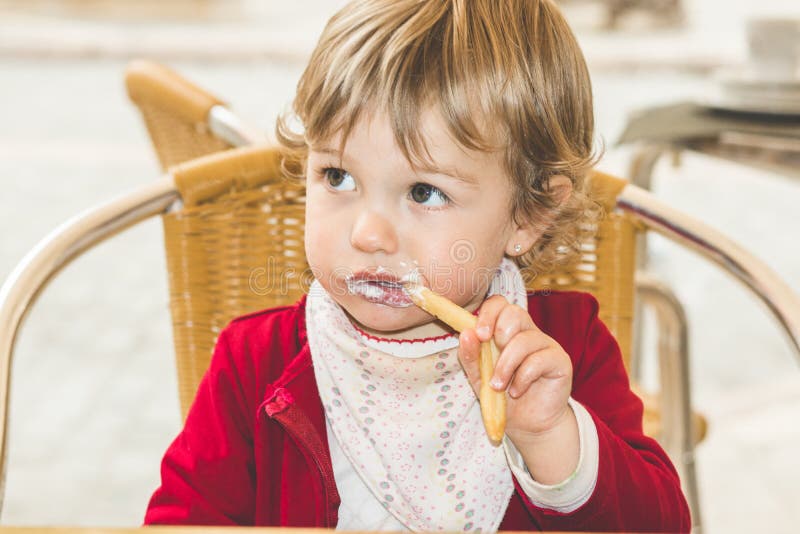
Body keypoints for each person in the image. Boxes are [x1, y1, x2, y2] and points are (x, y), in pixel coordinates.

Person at [145, 0, 690, 531]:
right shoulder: (252, 366)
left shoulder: (567, 351)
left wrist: (553, 437)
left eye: (425, 192)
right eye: (338, 177)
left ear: (529, 214)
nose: (368, 233)